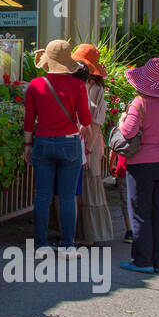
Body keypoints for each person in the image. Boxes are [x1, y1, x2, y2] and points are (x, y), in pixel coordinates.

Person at [117, 58, 159, 274]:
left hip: (142, 163)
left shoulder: (140, 102)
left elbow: (127, 132)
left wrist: (121, 120)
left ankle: (143, 260)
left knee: (140, 211)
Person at [23, 40, 92, 249]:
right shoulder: (78, 85)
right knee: (67, 197)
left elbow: (29, 119)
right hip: (69, 142)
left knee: (43, 196)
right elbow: (86, 119)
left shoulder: (35, 85)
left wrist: (27, 145)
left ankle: (41, 244)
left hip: (42, 141)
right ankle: (68, 244)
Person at [71, 44, 113, 245]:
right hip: (83, 142)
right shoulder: (86, 85)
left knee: (88, 186)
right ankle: (82, 233)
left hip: (88, 142)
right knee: (82, 188)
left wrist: (87, 149)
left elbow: (94, 123)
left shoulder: (94, 88)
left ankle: (89, 235)